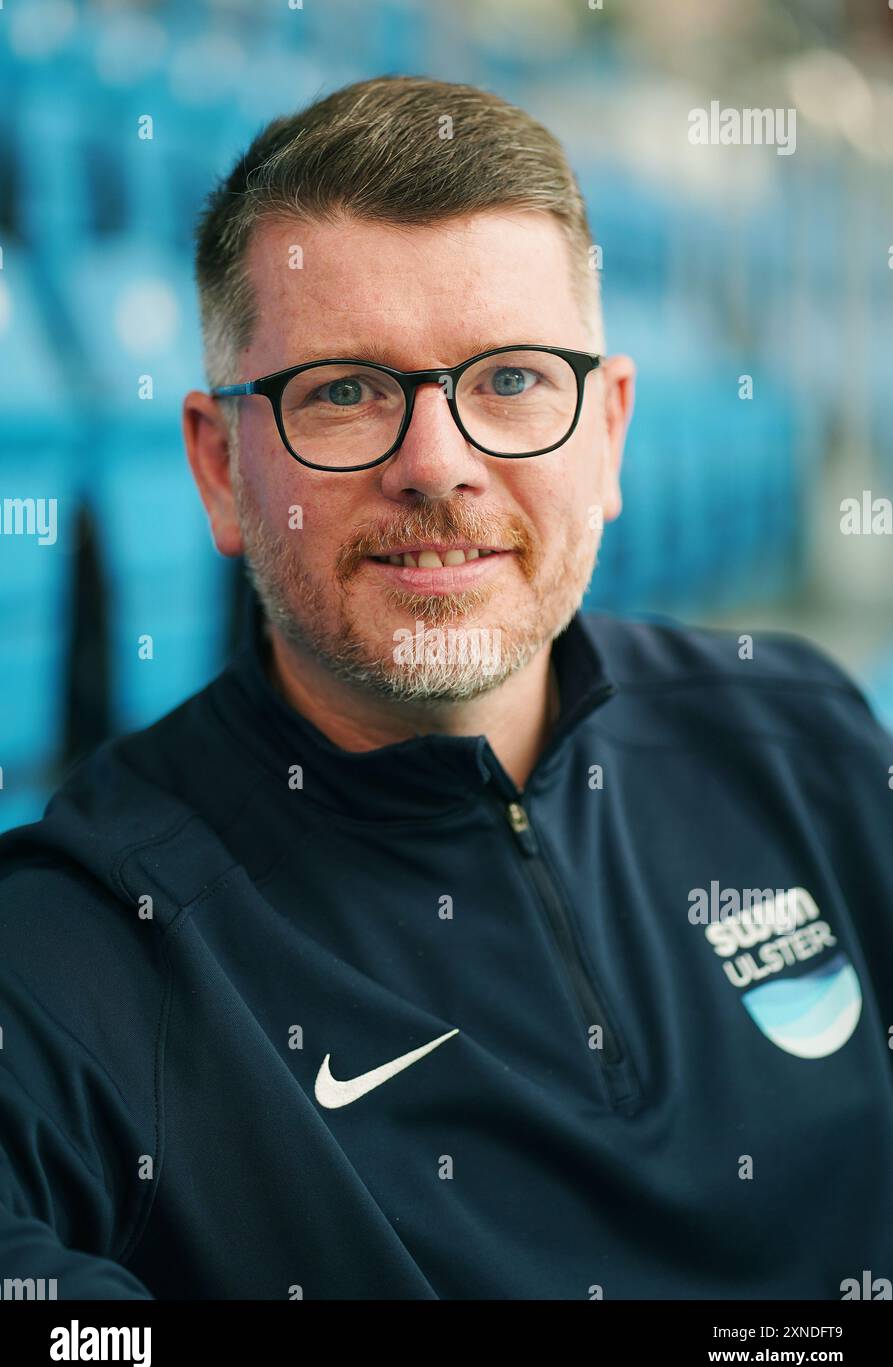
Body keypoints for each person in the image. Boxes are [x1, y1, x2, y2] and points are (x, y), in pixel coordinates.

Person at [1, 74, 891, 1301]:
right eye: (346, 391)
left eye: (513, 380)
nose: (437, 466)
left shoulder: (805, 737)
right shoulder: (75, 955)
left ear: (611, 432)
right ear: (217, 469)